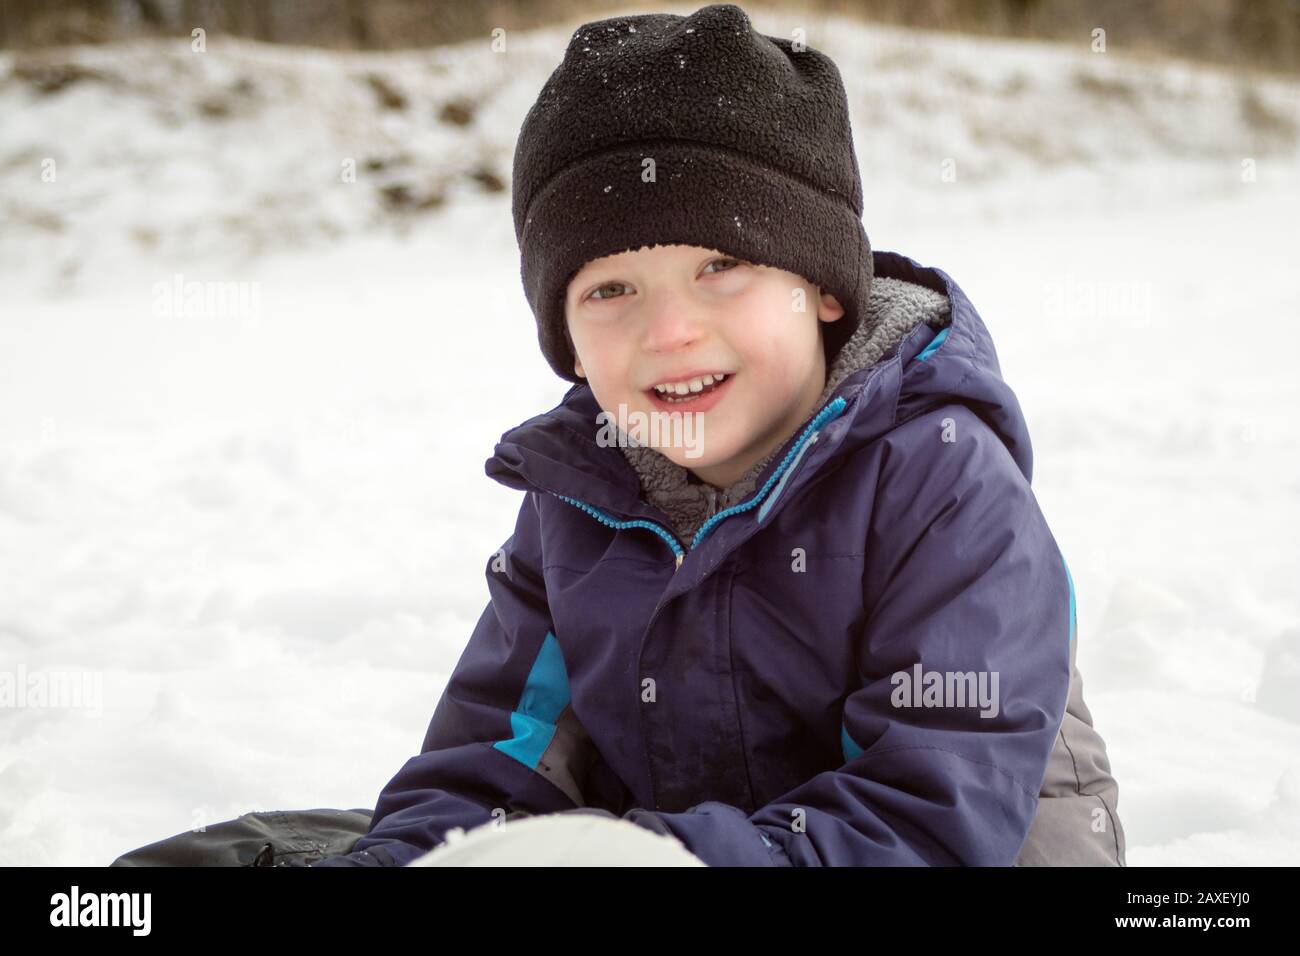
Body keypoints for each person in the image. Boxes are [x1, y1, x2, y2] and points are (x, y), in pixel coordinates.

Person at [112, 2, 1125, 868]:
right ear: (564, 335)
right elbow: (497, 760)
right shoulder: (579, 497)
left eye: (721, 265)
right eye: (610, 289)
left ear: (821, 287)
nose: (669, 328)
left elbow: (929, 815)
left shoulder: (940, 481)